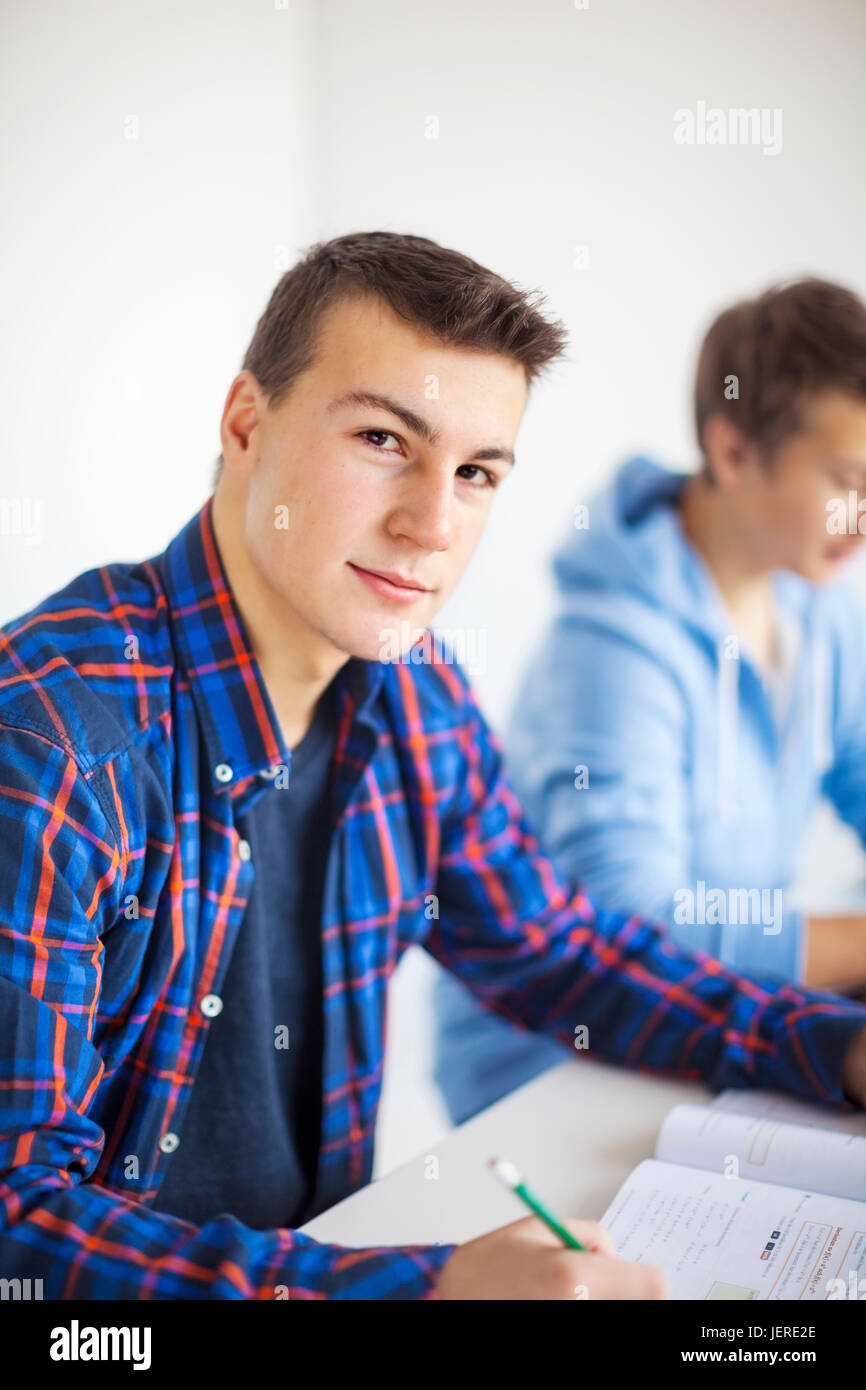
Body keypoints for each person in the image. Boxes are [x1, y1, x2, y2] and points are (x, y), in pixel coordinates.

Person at [2, 237, 865, 1302]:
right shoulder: (54, 743)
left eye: (474, 473)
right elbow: (16, 1224)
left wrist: (832, 1049)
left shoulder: (415, 697)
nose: (431, 524)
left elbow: (556, 954)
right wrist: (429, 1292)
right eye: (380, 439)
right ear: (244, 424)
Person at [432, 277, 866, 1126]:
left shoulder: (819, 607)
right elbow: (635, 932)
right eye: (848, 477)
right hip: (559, 1074)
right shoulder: (613, 650)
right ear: (735, 452)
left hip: (727, 1021)